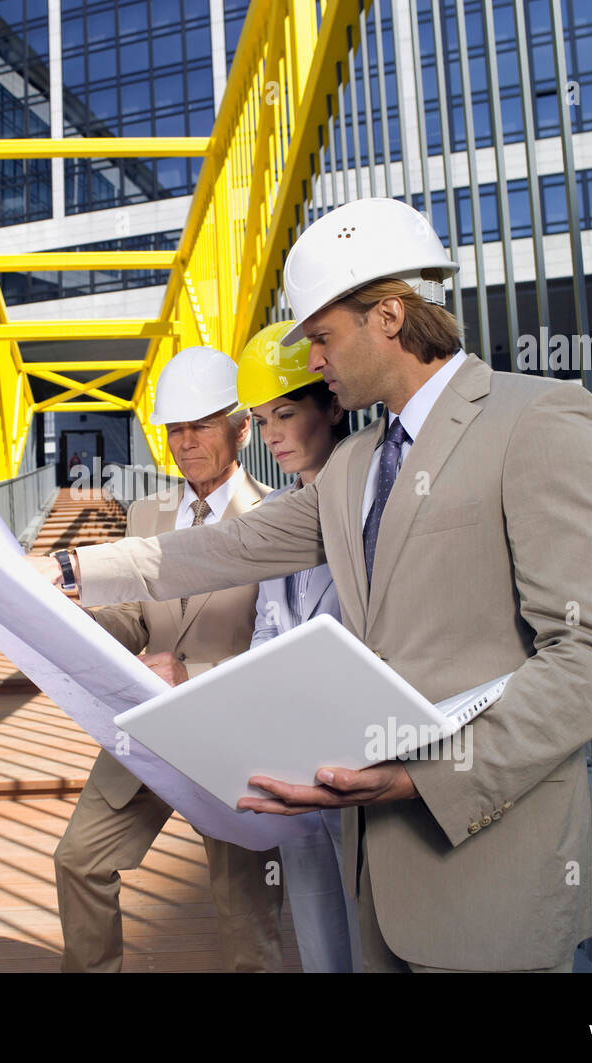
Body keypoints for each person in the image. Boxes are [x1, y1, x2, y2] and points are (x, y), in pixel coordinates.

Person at [32, 197, 592, 973]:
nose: (313, 361)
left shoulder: (542, 421)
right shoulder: (354, 467)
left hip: (489, 872)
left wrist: (421, 778)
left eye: (321, 336)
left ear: (389, 316)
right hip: (373, 879)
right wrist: (70, 569)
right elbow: (228, 547)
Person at [52, 346, 285, 973]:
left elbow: (280, 646)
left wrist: (193, 676)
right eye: (173, 430)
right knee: (79, 859)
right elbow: (136, 615)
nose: (184, 443)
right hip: (149, 726)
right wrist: (75, 621)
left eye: (200, 426)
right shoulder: (149, 514)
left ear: (239, 428)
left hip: (230, 740)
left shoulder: (275, 519)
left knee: (246, 914)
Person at [237, 319, 357, 973]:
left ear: (333, 404)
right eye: (260, 419)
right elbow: (264, 630)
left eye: (285, 412)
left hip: (362, 760)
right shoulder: (271, 518)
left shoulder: (380, 502)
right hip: (293, 767)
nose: (271, 434)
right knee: (319, 946)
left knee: (374, 941)